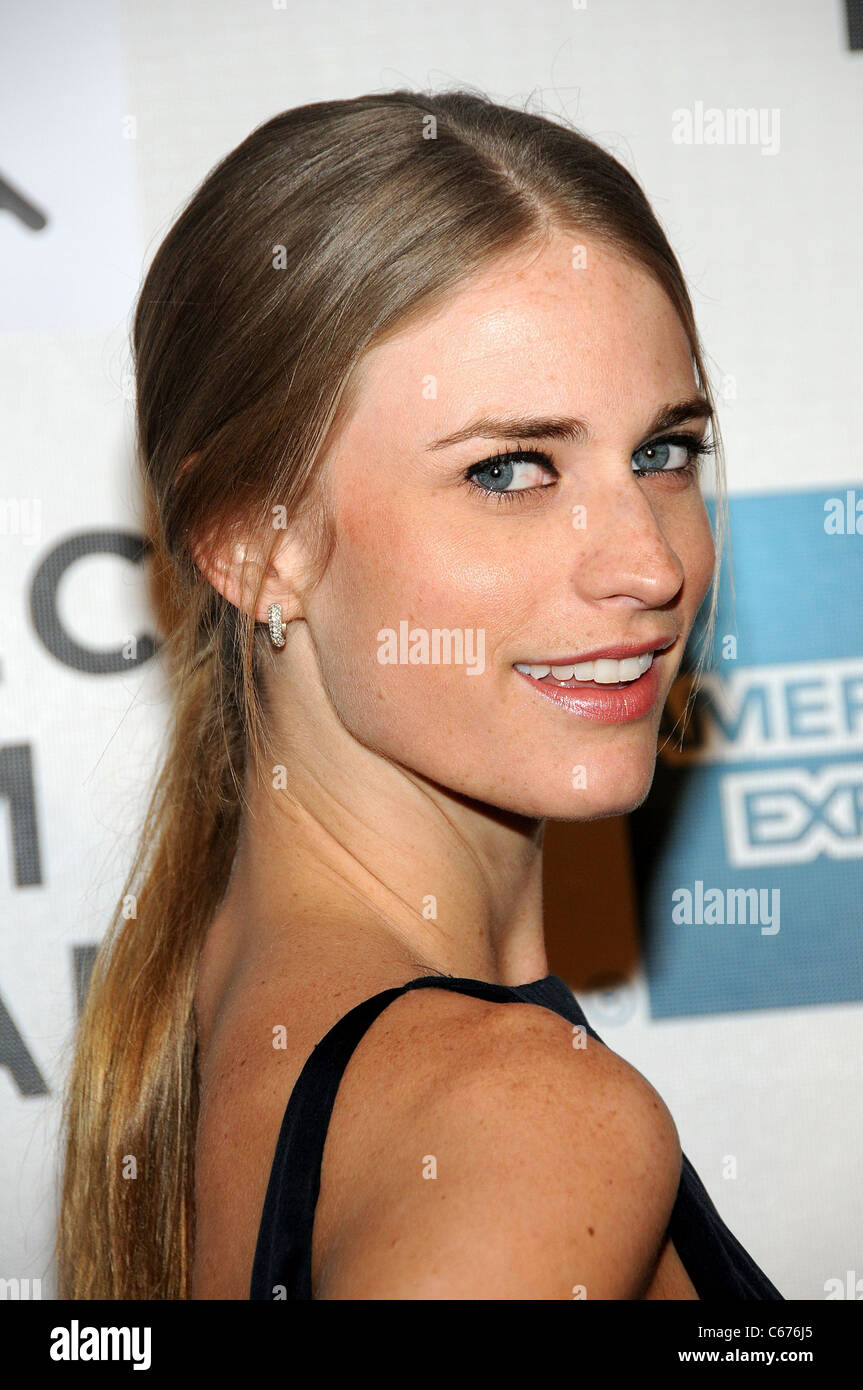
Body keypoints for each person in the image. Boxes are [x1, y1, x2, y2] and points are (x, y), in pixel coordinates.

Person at [57, 88, 783, 1300]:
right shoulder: (520, 1122)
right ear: (253, 542)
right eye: (510, 470)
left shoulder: (209, 1018)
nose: (650, 565)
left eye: (660, 453)